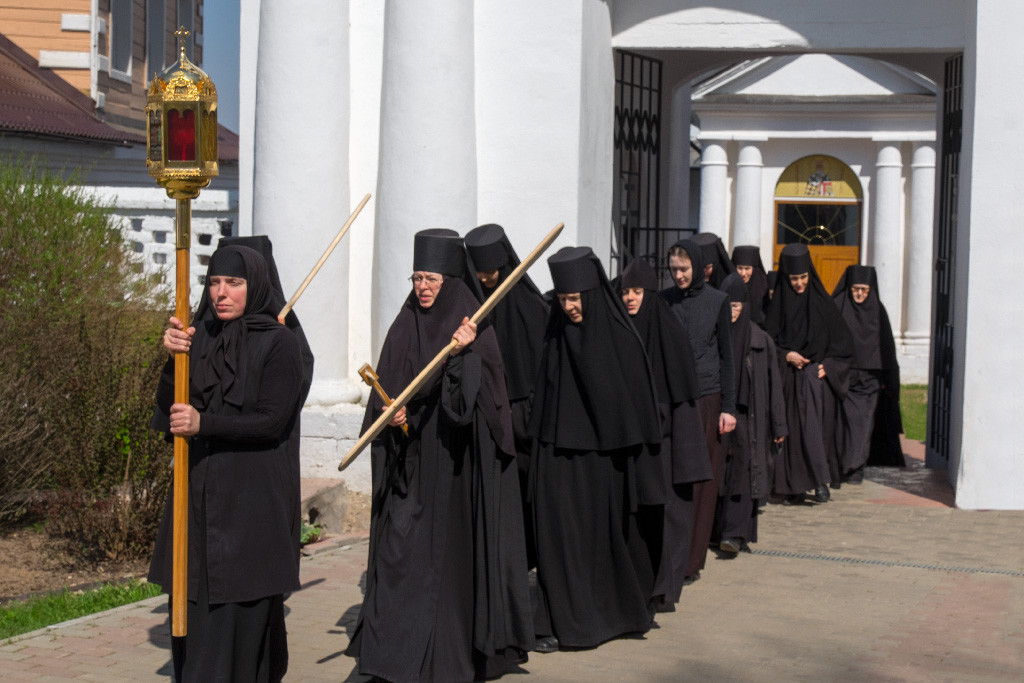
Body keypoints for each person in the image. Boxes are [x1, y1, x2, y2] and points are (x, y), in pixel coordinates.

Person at [345, 229, 533, 682]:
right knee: (398, 556)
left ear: (449, 280)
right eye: (416, 278)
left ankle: (444, 657)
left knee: (446, 571)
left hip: (455, 471)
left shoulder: (474, 327)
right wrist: (390, 413)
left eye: (430, 279)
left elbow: (474, 408)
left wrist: (461, 356)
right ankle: (392, 654)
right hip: (411, 467)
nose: (422, 288)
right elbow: (383, 390)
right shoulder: (405, 322)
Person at [149, 242, 311, 682]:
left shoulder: (279, 342)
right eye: (215, 282)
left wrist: (205, 424)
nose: (221, 293)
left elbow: (272, 421)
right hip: (199, 501)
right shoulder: (200, 336)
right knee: (196, 619)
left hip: (251, 508)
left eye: (233, 284)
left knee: (241, 627)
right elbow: (170, 406)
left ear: (253, 286)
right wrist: (172, 361)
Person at [528, 246, 663, 652]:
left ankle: (607, 616)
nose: (569, 307)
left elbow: (635, 410)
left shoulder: (621, 339)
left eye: (576, 299)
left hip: (606, 466)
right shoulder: (555, 336)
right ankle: (555, 622)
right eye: (564, 299)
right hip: (558, 458)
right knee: (558, 542)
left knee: (600, 543)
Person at [619, 258, 710, 610]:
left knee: (671, 515)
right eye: (626, 292)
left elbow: (680, 396)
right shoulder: (623, 330)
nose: (630, 298)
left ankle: (664, 590)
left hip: (668, 444)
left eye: (637, 292)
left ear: (650, 293)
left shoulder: (668, 331)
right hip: (635, 442)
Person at [464, 223, 549, 567]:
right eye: (479, 272)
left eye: (491, 271)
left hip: (525, 411)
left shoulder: (531, 305)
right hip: (490, 409)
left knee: (529, 487)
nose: (485, 279)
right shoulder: (474, 306)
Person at [660, 239, 736, 581]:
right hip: (673, 399)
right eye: (674, 269)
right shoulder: (663, 301)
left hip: (707, 398)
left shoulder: (717, 301)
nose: (678, 276)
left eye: (684, 269)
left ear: (699, 267)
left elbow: (727, 356)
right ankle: (670, 556)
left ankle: (691, 562)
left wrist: (729, 408)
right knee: (673, 478)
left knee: (703, 480)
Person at [764, 244, 854, 504]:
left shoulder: (822, 305)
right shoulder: (778, 306)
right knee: (787, 433)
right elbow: (769, 341)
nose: (800, 284)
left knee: (812, 430)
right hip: (786, 379)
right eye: (794, 279)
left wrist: (828, 366)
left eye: (803, 278)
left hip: (814, 380)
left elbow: (844, 346)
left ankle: (819, 480)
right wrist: (786, 356)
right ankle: (791, 486)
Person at [717, 274, 787, 554]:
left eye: (737, 307)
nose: (732, 313)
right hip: (719, 416)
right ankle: (721, 531)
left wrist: (779, 426)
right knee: (720, 474)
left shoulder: (760, 340)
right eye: (727, 306)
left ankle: (735, 533)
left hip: (751, 417)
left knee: (744, 474)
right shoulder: (712, 334)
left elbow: (773, 386)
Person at [832, 265, 905, 480]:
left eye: (864, 289)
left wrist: (888, 380)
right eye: (856, 289)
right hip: (842, 378)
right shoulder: (838, 307)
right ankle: (843, 465)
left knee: (863, 424)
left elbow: (887, 348)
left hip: (870, 380)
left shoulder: (877, 310)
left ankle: (855, 467)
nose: (860, 294)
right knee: (842, 424)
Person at [731, 245, 770, 326]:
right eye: (740, 268)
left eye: (747, 268)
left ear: (754, 269)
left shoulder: (764, 287)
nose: (743, 273)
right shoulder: (729, 285)